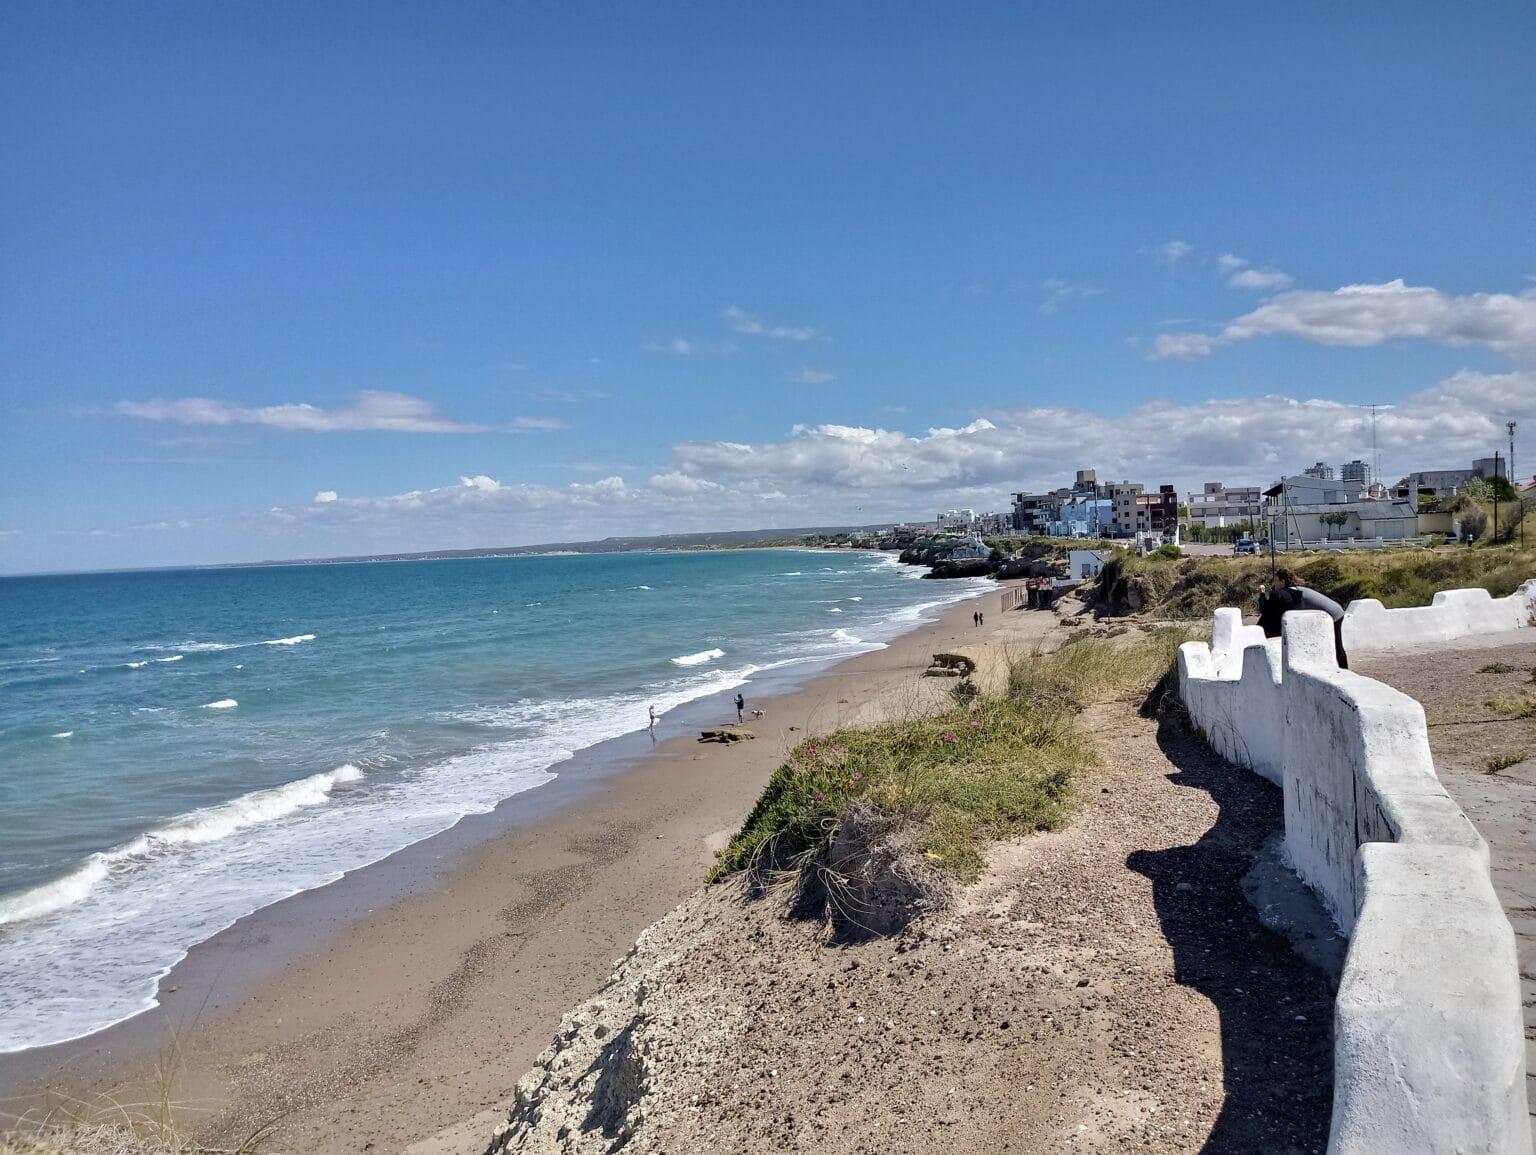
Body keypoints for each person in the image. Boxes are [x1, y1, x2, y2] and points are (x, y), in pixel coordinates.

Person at [1258, 567, 1349, 669]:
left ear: (1282, 581)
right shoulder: (1295, 590)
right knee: (1336, 646)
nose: (1274, 584)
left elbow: (1270, 609)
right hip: (1336, 610)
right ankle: (1343, 668)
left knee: (1337, 646)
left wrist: (1262, 595)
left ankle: (1345, 670)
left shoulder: (1288, 593)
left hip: (1335, 614)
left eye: (1275, 581)